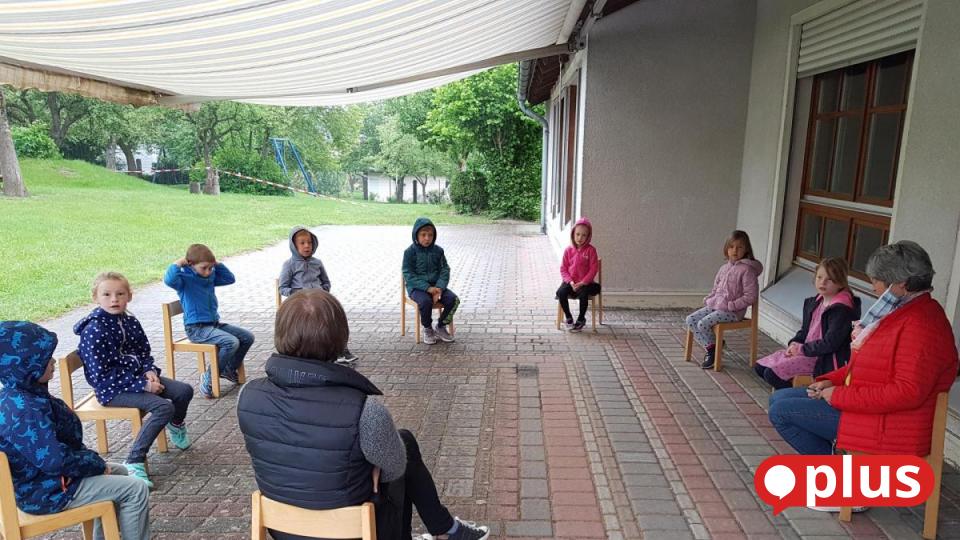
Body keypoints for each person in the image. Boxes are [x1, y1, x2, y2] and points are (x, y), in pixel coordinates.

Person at [237, 290, 488, 540]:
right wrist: (371, 470)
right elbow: (395, 470)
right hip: (353, 531)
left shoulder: (247, 396)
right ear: (340, 337)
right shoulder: (365, 411)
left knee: (397, 445)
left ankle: (446, 530)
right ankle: (445, 530)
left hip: (283, 529)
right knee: (404, 448)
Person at [768, 241, 958, 511]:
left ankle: (851, 490)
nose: (874, 287)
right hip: (874, 410)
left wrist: (839, 396)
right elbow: (868, 366)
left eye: (878, 281)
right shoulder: (906, 312)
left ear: (901, 284)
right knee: (779, 399)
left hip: (890, 424)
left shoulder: (920, 326)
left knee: (782, 411)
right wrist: (831, 380)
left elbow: (907, 392)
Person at [0, 321, 151, 540]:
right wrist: (95, 464)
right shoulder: (25, 409)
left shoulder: (22, 393)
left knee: (120, 471)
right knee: (135, 489)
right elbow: (54, 460)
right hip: (46, 492)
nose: (52, 361)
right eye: (45, 358)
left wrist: (94, 464)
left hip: (41, 483)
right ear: (26, 365)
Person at [74, 272, 194, 487]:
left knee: (184, 391)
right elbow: (102, 377)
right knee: (163, 407)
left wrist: (149, 370)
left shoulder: (129, 321)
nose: (114, 299)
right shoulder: (94, 331)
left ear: (129, 296)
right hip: (111, 390)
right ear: (95, 297)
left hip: (137, 379)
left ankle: (176, 424)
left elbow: (143, 351)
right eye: (107, 294)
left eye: (120, 294)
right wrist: (143, 385)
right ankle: (134, 461)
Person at [163, 243, 254, 398]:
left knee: (247, 337)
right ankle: (209, 377)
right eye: (204, 268)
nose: (208, 272)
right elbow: (169, 280)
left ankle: (228, 369)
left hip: (213, 325)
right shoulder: (184, 280)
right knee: (231, 342)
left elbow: (229, 278)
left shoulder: (210, 276)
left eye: (210, 268)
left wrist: (216, 264)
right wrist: (179, 263)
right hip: (196, 329)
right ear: (190, 264)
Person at [754, 258, 859, 389]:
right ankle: (794, 389)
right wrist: (794, 343)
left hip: (821, 359)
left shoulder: (841, 310)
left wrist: (801, 349)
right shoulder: (815, 303)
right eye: (819, 277)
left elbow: (830, 343)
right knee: (760, 367)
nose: (823, 282)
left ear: (840, 283)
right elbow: (805, 331)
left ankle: (798, 395)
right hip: (806, 351)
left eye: (830, 279)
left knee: (772, 374)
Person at [277, 225, 358, 364]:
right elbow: (282, 288)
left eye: (309, 242)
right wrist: (296, 294)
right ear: (294, 246)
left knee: (332, 320)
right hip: (301, 304)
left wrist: (323, 292)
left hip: (319, 300)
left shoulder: (317, 263)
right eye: (302, 243)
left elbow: (326, 281)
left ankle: (341, 350)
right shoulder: (289, 265)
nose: (307, 246)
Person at [685, 230, 763, 369]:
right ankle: (715, 346)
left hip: (733, 312)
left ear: (746, 250)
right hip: (716, 306)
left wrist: (732, 305)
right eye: (731, 247)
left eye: (739, 247)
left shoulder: (747, 270)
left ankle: (713, 352)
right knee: (691, 320)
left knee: (703, 324)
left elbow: (751, 296)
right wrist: (710, 298)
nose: (735, 250)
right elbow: (716, 288)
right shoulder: (723, 268)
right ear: (726, 249)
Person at [402, 217, 459, 345]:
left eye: (430, 235)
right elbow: (408, 274)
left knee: (453, 300)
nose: (427, 238)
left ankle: (441, 326)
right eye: (423, 235)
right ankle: (427, 328)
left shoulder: (438, 251)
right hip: (417, 288)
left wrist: (439, 288)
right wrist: (428, 288)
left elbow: (445, 270)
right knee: (425, 302)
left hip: (437, 286)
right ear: (416, 235)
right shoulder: (409, 252)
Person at [556, 217, 601, 332]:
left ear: (588, 236)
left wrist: (583, 282)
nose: (580, 238)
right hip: (570, 282)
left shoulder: (591, 250)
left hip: (585, 283)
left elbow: (593, 269)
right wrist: (570, 281)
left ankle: (581, 319)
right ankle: (569, 317)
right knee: (561, 292)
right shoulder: (568, 250)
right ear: (573, 234)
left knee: (583, 294)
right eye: (578, 234)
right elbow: (563, 269)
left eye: (584, 235)